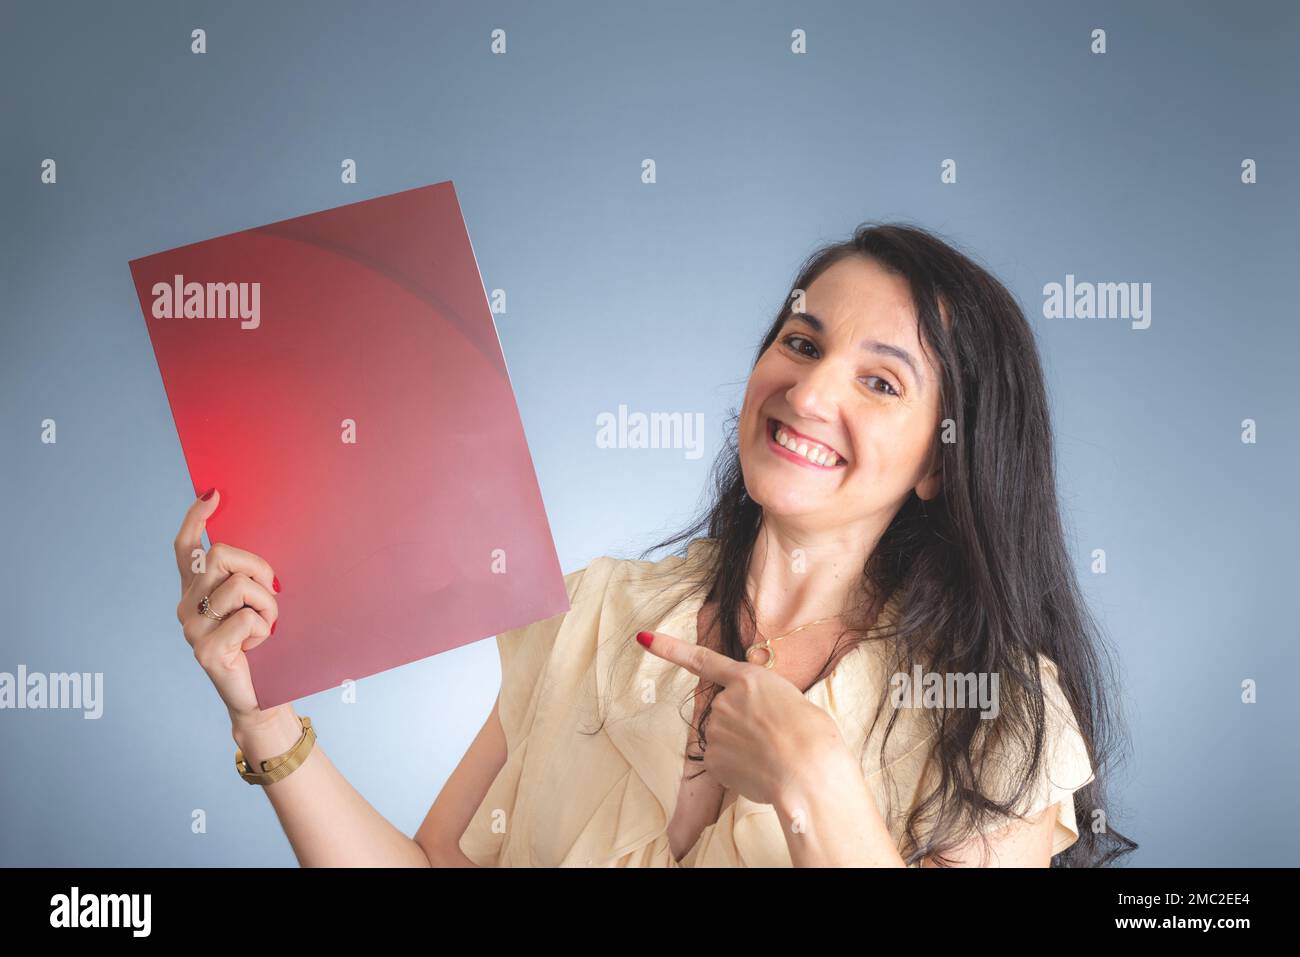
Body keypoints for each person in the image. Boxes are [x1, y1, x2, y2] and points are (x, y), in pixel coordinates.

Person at [174, 222, 1136, 867]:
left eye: (881, 384)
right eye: (801, 343)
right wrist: (268, 720)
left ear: (942, 460)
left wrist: (813, 784)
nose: (807, 395)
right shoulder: (596, 612)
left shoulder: (1001, 722)